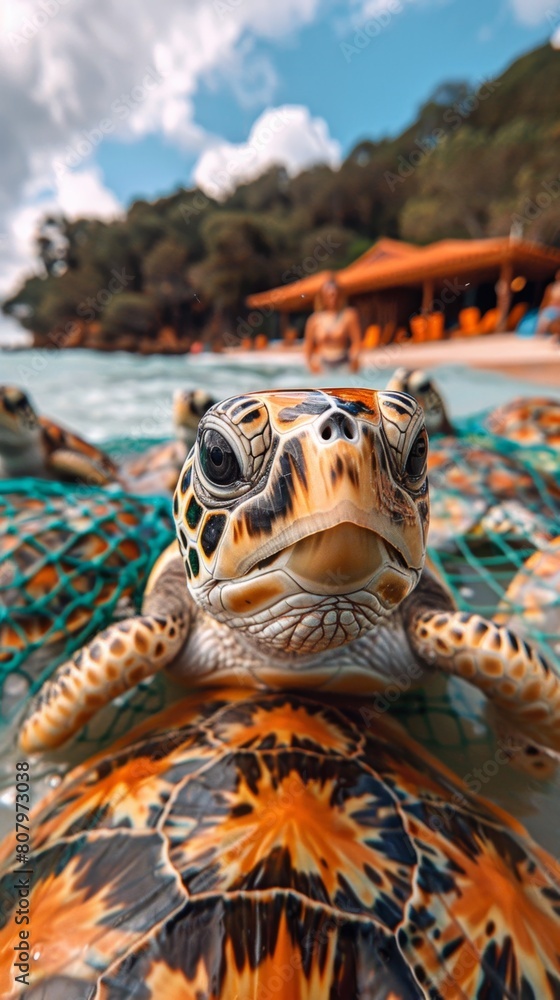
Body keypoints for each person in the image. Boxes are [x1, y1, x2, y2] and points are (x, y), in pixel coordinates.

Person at [304, 278, 362, 373]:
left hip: (343, 363)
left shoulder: (349, 316)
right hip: (323, 364)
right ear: (323, 297)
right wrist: (310, 365)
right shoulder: (314, 320)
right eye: (330, 295)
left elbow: (357, 342)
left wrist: (355, 358)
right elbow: (308, 346)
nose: (333, 298)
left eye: (335, 295)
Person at [537, 269, 560, 335]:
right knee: (543, 319)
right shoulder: (551, 287)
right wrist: (541, 309)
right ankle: (540, 335)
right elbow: (546, 299)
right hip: (551, 309)